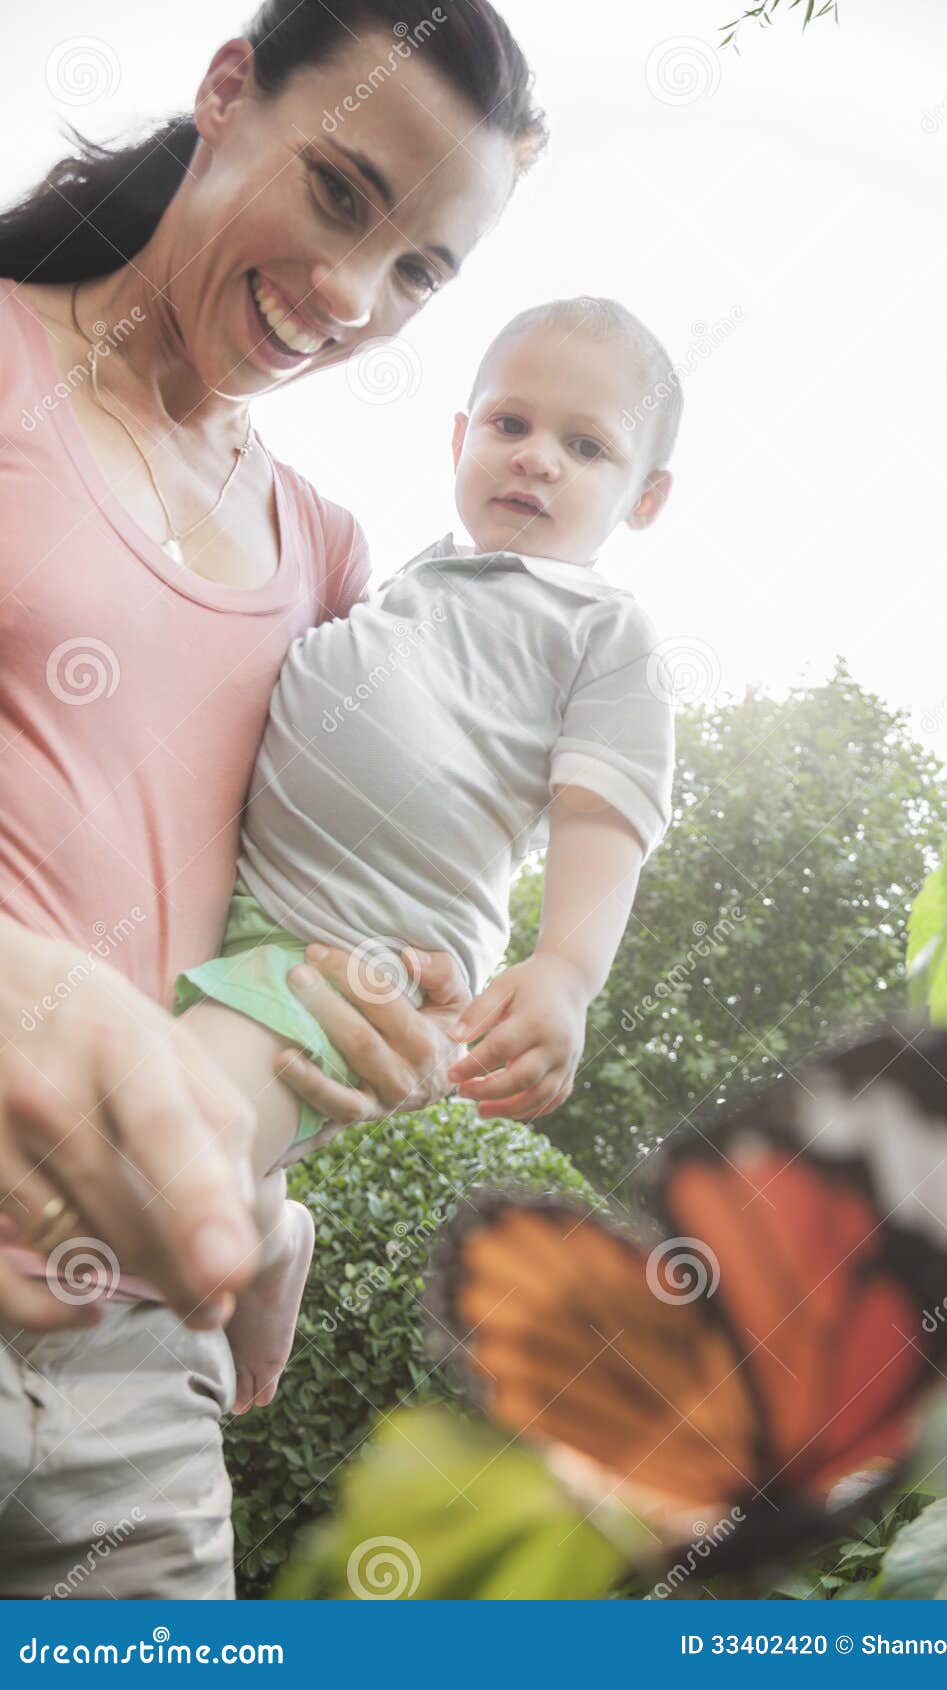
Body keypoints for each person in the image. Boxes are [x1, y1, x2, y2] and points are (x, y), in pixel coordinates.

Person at [0, 0, 545, 1598]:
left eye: (416, 274)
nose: (346, 298)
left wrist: (333, 1068)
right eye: (338, 195)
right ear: (227, 92)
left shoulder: (324, 555)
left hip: (137, 1363)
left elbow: (282, 926)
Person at [174, 296, 681, 1414]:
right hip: (239, 906)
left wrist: (562, 974)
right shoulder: (414, 578)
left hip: (365, 959)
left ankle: (226, 1260)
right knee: (196, 1101)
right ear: (458, 441)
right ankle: (268, 1234)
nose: (535, 457)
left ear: (642, 498)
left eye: (585, 445)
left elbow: (605, 813)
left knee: (167, 1128)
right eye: (509, 424)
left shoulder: (601, 631)